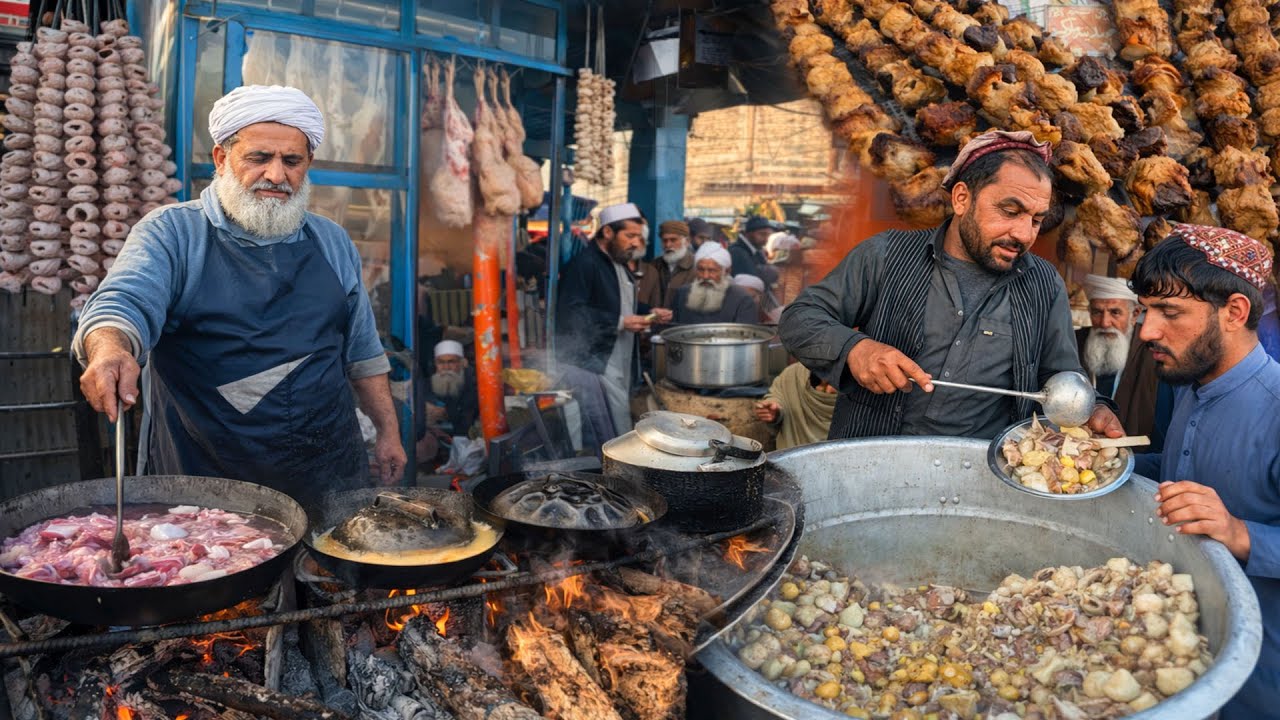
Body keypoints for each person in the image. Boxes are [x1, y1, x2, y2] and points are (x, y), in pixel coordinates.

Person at [73, 85, 405, 500]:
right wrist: (110, 349)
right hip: (211, 481)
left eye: (292, 161)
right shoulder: (173, 233)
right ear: (221, 158)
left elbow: (363, 353)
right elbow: (122, 302)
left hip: (327, 474)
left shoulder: (332, 241)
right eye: (259, 157)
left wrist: (389, 432)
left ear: (308, 164)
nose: (276, 175)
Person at [780, 130, 1123, 439]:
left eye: (1035, 220)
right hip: (870, 462)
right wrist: (855, 349)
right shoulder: (886, 254)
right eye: (1009, 210)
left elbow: (1061, 377)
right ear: (962, 198)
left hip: (980, 478)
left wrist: (1090, 408)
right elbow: (800, 318)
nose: (1023, 234)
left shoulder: (1043, 284)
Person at [1130, 224, 1279, 719]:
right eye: (1146, 311)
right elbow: (1182, 472)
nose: (1148, 331)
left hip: (1260, 681)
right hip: (1180, 651)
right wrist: (1112, 459)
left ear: (1234, 312)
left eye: (1169, 313)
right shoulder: (1190, 386)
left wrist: (1238, 532)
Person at [555, 202, 672, 435]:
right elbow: (571, 312)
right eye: (629, 236)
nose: (636, 243)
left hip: (618, 357)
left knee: (617, 418)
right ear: (608, 232)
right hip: (595, 361)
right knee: (605, 424)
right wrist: (620, 322)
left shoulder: (616, 263)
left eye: (639, 237)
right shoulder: (585, 264)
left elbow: (619, 302)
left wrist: (649, 311)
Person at [1076, 274, 1159, 438]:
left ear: (1135, 314)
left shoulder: (1153, 350)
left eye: (1115, 312)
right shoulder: (1074, 341)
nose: (1105, 322)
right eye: (1097, 312)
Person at [752, 363, 838, 450]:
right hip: (792, 456)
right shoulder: (793, 374)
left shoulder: (851, 372)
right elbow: (777, 397)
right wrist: (774, 411)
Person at [671, 243, 758, 325]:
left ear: (727, 271)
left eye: (712, 270)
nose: (705, 276)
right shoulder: (682, 294)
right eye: (701, 270)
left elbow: (745, 337)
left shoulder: (742, 300)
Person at [637, 220, 696, 309]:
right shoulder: (654, 265)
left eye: (673, 240)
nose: (668, 245)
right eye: (665, 241)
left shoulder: (697, 267)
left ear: (687, 241)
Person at [730, 215, 780, 286]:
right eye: (762, 234)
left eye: (768, 235)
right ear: (748, 233)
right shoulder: (737, 252)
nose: (766, 239)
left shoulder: (756, 251)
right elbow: (750, 281)